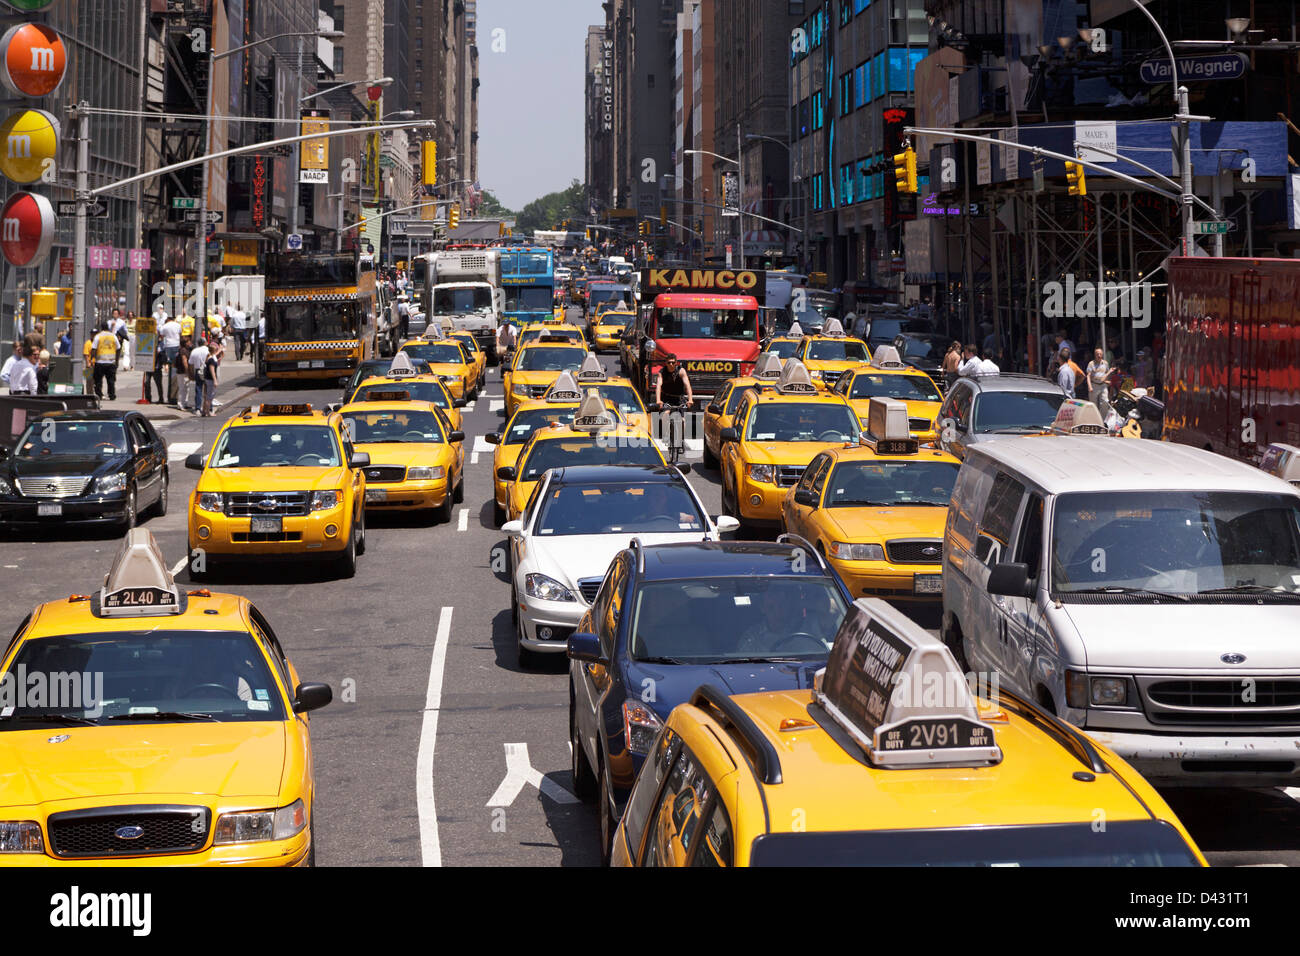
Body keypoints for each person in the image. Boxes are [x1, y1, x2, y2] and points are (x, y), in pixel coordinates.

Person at [91, 321, 121, 400]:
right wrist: (117, 360)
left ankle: (99, 395)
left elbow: (94, 349)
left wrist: (92, 358)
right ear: (108, 327)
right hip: (111, 362)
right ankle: (111, 395)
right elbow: (118, 348)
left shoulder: (98, 336)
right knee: (111, 380)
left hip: (100, 362)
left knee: (98, 380)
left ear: (101, 328)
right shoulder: (113, 336)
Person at [188, 335, 211, 416]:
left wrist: (191, 373)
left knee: (198, 389)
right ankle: (209, 408)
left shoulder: (194, 351)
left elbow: (190, 364)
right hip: (207, 370)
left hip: (198, 370)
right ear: (205, 342)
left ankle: (198, 408)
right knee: (208, 390)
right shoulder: (208, 350)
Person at [1086, 347, 1111, 416]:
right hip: (1094, 385)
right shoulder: (1091, 364)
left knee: (1105, 402)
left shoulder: (1105, 363)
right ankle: (1094, 419)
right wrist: (1090, 386)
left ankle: (1103, 420)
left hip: (1103, 385)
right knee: (1093, 404)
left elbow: (1107, 373)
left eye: (1100, 354)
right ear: (1095, 355)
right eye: (1097, 354)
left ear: (1102, 355)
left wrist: (1107, 382)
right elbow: (1088, 376)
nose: (1099, 355)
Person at [142, 333, 164, 404]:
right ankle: (148, 398)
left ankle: (161, 398)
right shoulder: (147, 343)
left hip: (157, 367)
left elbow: (162, 354)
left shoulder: (161, 344)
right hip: (148, 366)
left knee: (158, 384)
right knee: (147, 383)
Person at [174, 335, 193, 410]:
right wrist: (188, 371)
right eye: (189, 341)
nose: (190, 343)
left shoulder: (182, 350)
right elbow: (184, 361)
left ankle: (185, 402)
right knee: (182, 388)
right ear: (185, 343)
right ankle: (180, 404)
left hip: (181, 371)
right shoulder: (183, 351)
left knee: (186, 388)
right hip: (182, 372)